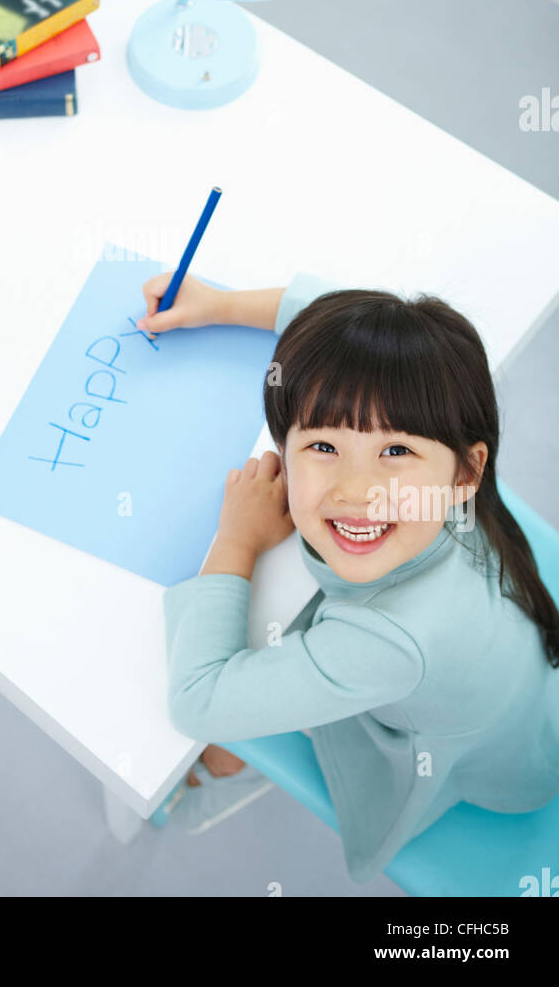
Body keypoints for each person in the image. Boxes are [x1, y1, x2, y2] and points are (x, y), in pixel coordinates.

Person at [139, 270, 559, 882]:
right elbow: (338, 329)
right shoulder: (447, 500)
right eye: (324, 448)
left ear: (466, 471)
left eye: (394, 453)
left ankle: (227, 763)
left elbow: (197, 701)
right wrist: (218, 304)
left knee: (233, 711)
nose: (355, 492)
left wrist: (238, 537)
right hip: (525, 689)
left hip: (500, 765)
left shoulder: (387, 641)